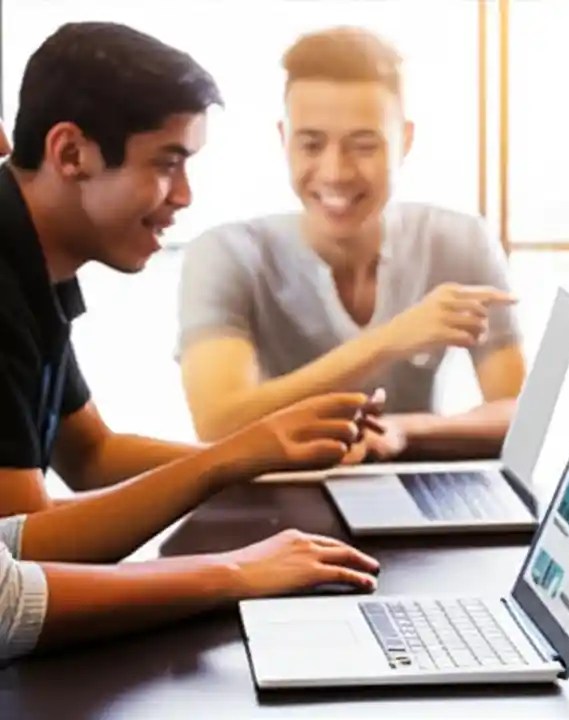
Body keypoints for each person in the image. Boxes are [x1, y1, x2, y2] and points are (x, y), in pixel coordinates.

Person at [0, 23, 380, 663]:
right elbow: (26, 546)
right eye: (166, 163)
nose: (184, 195)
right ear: (71, 154)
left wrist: (261, 456)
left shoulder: (35, 265)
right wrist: (230, 506)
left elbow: (91, 453)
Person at [178, 27, 523, 462]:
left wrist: (403, 430)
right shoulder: (226, 254)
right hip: (275, 493)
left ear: (405, 142)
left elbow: (520, 414)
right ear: (284, 140)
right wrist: (389, 339)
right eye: (311, 144)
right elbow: (217, 423)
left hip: (415, 482)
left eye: (364, 146)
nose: (335, 172)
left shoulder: (460, 240)